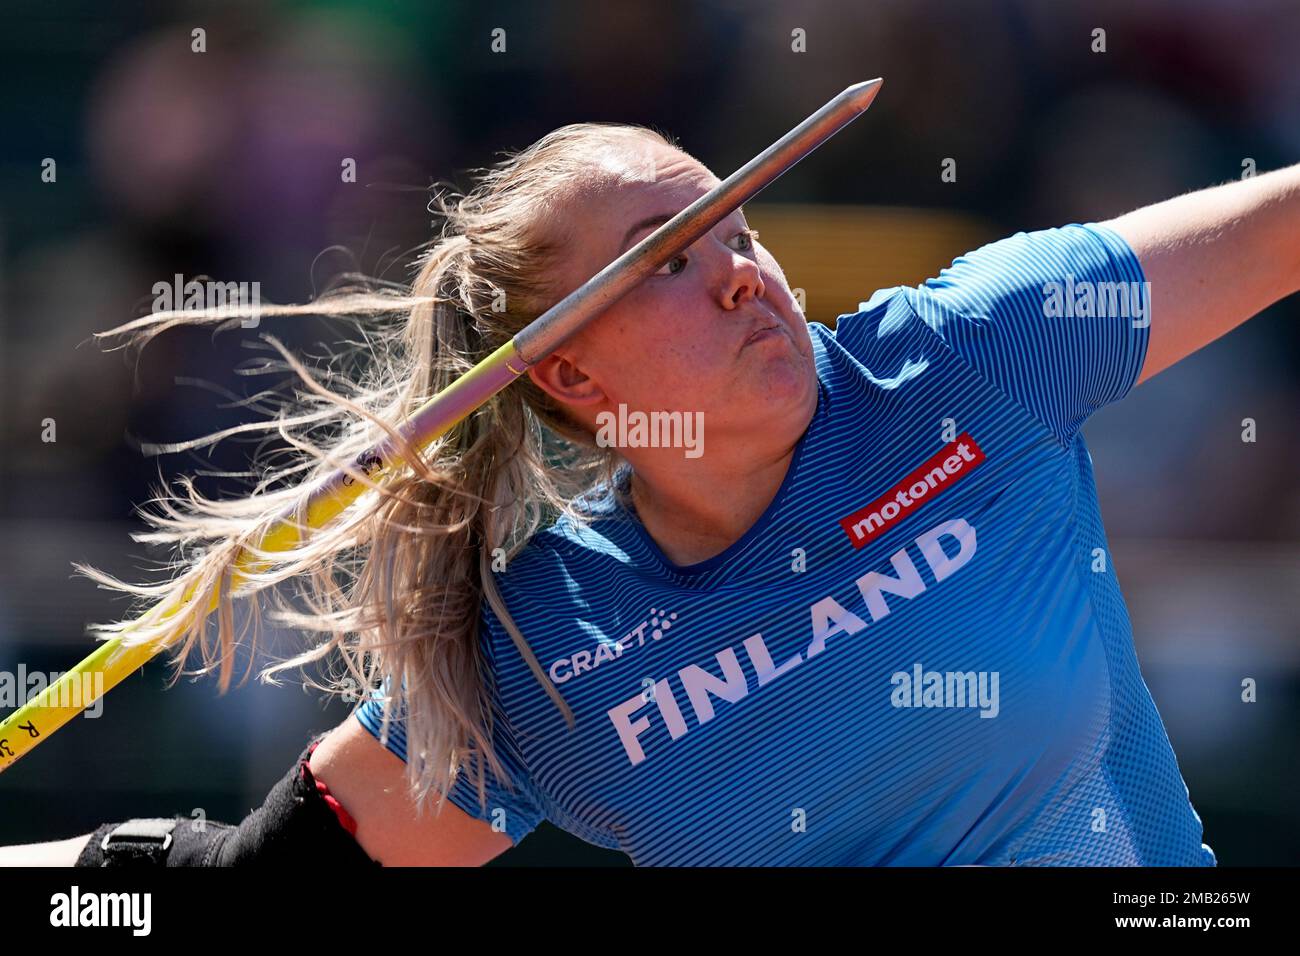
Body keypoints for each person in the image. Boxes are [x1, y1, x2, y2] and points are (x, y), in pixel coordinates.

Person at [3, 122, 1297, 866]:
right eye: (670, 261)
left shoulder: (977, 354)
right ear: (567, 367)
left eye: (738, 227)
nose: (745, 273)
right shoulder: (543, 656)